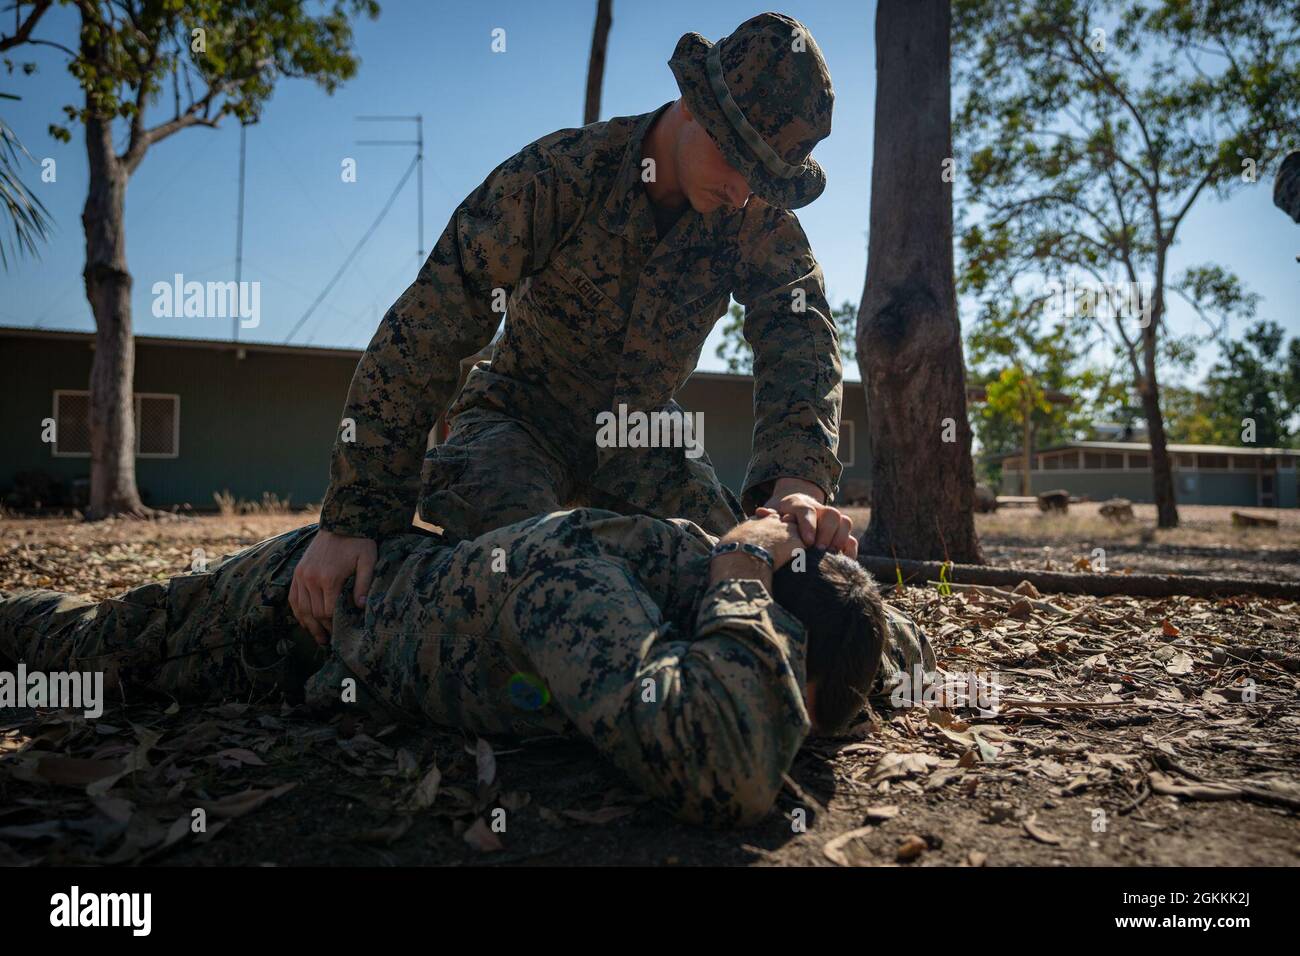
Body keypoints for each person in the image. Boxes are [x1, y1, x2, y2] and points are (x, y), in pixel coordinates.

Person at [291, 12, 852, 643]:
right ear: (693, 106)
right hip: (521, 417)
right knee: (533, 572)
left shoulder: (752, 213)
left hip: (642, 433)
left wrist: (798, 483)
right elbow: (433, 321)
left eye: (765, 176)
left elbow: (799, 332)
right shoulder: (562, 174)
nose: (744, 191)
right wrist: (354, 515)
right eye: (736, 158)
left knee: (729, 565)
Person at [0, 508, 932, 826]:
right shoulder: (586, 581)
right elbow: (723, 768)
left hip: (365, 661)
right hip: (300, 616)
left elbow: (893, 653)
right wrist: (742, 567)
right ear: (740, 609)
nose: (768, 710)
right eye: (754, 663)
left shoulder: (804, 623)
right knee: (97, 654)